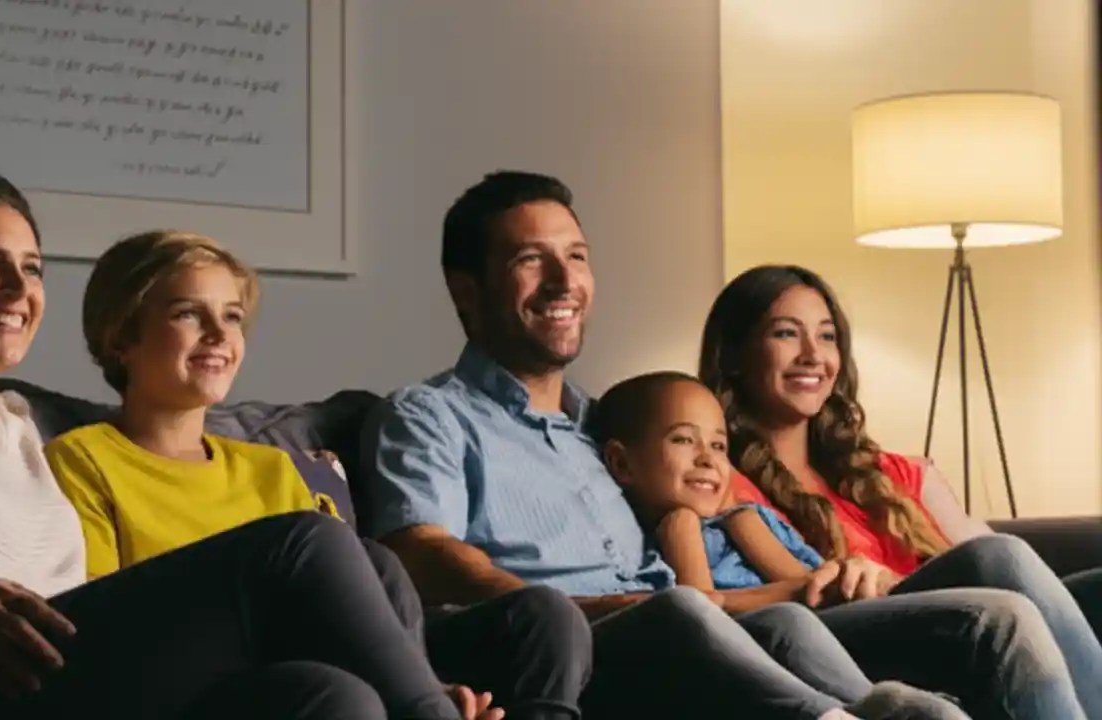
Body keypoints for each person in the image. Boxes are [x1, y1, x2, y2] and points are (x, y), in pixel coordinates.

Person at [0, 168, 476, 720]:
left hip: (59, 678)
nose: (20, 290)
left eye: (32, 269)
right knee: (303, 544)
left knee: (329, 695)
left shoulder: (23, 427)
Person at [361, 169, 1015, 719]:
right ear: (466, 290)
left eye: (577, 256)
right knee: (681, 611)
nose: (565, 280)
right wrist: (568, 609)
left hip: (689, 624)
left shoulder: (612, 426)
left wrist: (823, 574)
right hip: (572, 649)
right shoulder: (429, 415)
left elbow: (721, 521)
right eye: (531, 260)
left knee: (965, 615)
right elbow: (420, 551)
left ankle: (886, 709)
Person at [45, 229, 585, 720]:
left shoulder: (271, 467)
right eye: (188, 314)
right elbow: (106, 627)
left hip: (303, 669)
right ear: (121, 337)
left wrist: (428, 681)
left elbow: (345, 602)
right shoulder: (82, 458)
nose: (218, 334)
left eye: (231, 317)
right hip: (178, 683)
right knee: (322, 569)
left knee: (533, 612)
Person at [698, 263, 1102, 717]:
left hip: (969, 621)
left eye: (827, 336)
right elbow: (739, 602)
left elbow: (1013, 572)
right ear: (734, 357)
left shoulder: (892, 471)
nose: (813, 354)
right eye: (786, 333)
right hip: (855, 635)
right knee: (998, 558)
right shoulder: (719, 481)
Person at [594, 370, 841, 615]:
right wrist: (682, 528)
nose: (707, 459)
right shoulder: (636, 554)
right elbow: (703, 615)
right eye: (683, 440)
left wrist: (743, 523)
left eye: (718, 446)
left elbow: (816, 587)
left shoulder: (748, 518)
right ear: (622, 464)